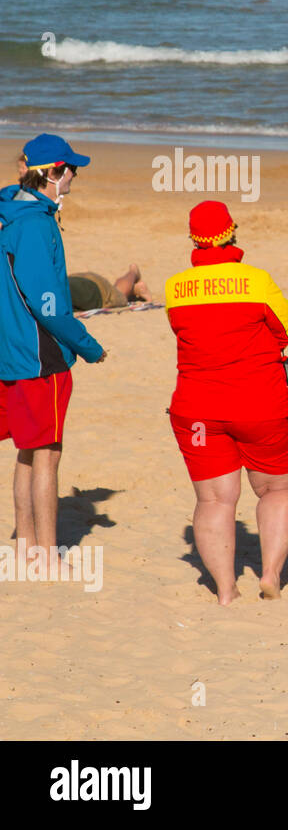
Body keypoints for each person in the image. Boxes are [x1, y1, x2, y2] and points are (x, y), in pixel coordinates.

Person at [164, 201, 288, 605]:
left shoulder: (176, 287)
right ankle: (271, 573)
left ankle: (225, 590)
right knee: (278, 489)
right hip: (260, 402)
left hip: (197, 409)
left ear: (193, 239)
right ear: (232, 233)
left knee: (214, 499)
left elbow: (184, 330)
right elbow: (284, 331)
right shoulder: (257, 281)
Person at [0, 135, 107, 565]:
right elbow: (48, 305)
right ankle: (47, 553)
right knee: (47, 453)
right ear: (53, 173)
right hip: (39, 353)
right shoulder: (35, 223)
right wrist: (88, 346)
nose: (74, 180)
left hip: (10, 350)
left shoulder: (10, 211)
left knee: (28, 449)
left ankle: (26, 545)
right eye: (71, 172)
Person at [69, 265, 153, 312]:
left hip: (97, 290)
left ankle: (133, 272)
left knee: (120, 294)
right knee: (116, 292)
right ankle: (135, 289)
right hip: (76, 280)